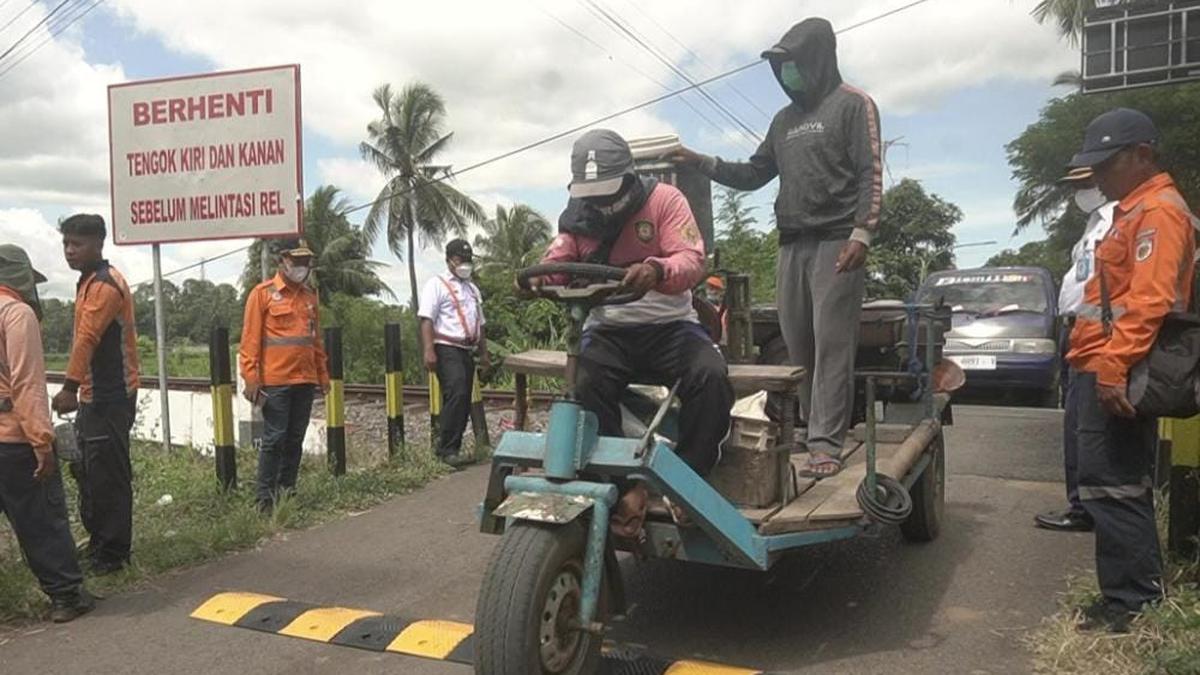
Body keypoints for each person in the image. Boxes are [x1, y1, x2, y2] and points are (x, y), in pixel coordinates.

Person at [670, 17, 882, 478]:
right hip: (791, 243)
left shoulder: (854, 105)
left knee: (831, 345)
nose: (787, 74)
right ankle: (810, 426)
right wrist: (700, 161)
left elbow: (871, 173)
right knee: (799, 344)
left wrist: (861, 233)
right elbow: (753, 174)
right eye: (780, 66)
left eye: (792, 63)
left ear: (818, 59)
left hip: (835, 242)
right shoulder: (783, 121)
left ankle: (827, 441)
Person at [533, 128, 734, 530]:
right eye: (592, 194)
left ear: (628, 176)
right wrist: (542, 278)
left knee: (711, 378)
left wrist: (657, 269)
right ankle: (623, 484)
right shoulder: (577, 216)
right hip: (609, 330)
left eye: (607, 192)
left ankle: (688, 477)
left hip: (670, 326)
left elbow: (692, 260)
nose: (601, 202)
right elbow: (559, 260)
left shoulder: (665, 201)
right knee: (583, 385)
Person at [1064, 108, 1198, 632]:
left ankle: (1135, 603)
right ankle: (1123, 595)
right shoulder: (1133, 210)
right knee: (1103, 487)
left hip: (1122, 367)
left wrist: (1113, 368)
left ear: (1142, 155)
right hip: (1100, 361)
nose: (1097, 176)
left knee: (1117, 487)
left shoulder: (1159, 213)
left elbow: (1149, 301)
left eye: (1107, 163)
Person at [0, 245, 95, 622]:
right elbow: (26, 384)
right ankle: (67, 596)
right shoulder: (16, 314)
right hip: (14, 441)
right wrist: (42, 442)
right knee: (41, 520)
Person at [51, 214, 139, 575]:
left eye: (78, 244)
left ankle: (114, 554)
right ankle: (102, 544)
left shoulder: (104, 285)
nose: (70, 251)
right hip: (96, 395)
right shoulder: (88, 281)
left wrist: (69, 387)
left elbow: (87, 338)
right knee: (89, 471)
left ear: (99, 244)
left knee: (108, 476)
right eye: (66, 244)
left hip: (110, 394)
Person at [1035, 167, 1115, 533]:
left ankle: (1092, 510)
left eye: (1085, 185)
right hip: (1077, 332)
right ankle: (1081, 505)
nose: (1079, 193)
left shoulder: (1119, 220)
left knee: (1090, 431)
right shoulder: (1094, 225)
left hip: (1102, 337)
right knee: (1076, 427)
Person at [239, 239, 329, 512]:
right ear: (283, 261)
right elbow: (250, 339)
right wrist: (250, 376)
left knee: (294, 439)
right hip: (276, 381)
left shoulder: (309, 297)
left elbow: (315, 342)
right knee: (274, 438)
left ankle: (286, 491)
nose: (302, 267)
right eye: (297, 261)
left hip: (304, 379)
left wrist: (323, 375)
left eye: (306, 262)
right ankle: (264, 499)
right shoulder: (262, 294)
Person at [418, 239, 490, 466]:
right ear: (449, 260)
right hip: (446, 346)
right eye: (460, 259)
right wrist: (429, 350)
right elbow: (427, 319)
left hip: (467, 349)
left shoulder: (472, 289)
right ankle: (445, 450)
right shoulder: (436, 285)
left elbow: (481, 324)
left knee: (463, 398)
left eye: (468, 260)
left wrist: (484, 354)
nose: (465, 264)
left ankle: (453, 449)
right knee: (456, 393)